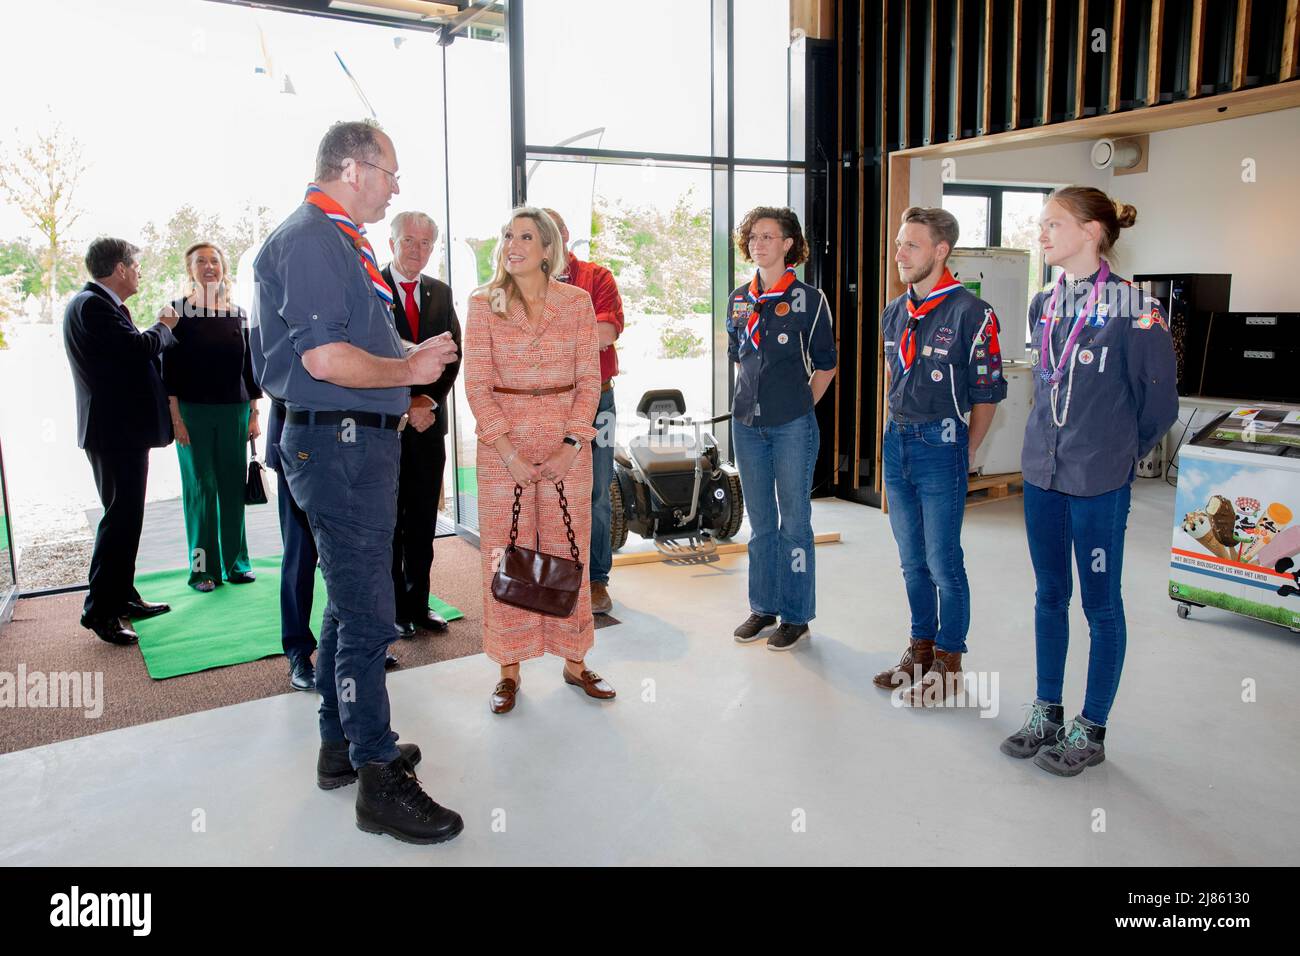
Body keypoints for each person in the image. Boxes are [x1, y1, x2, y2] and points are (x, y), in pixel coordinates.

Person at [251, 119, 463, 843]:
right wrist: (407, 372)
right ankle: (377, 774)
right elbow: (323, 361)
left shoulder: (338, 240)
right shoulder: (313, 238)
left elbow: (356, 346)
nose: (396, 186)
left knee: (347, 606)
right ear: (352, 167)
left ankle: (339, 748)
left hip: (352, 446)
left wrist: (409, 352)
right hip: (336, 449)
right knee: (369, 617)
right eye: (390, 172)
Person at [1000, 186, 1178, 776]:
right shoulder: (1043, 303)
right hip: (1044, 473)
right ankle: (1047, 709)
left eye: (1053, 224)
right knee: (1049, 594)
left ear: (1092, 231)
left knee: (1101, 605)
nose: (1042, 234)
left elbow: (1159, 405)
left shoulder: (1138, 308)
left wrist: (1116, 453)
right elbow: (1050, 383)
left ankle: (1092, 726)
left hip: (1099, 480)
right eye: (1041, 224)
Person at [463, 206, 611, 715]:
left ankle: (574, 661)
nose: (513, 244)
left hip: (565, 449)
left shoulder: (577, 302)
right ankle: (508, 669)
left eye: (526, 236)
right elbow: (477, 384)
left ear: (548, 248)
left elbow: (589, 380)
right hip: (502, 451)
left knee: (568, 551)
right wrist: (506, 451)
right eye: (508, 235)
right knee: (509, 556)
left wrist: (572, 445)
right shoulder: (485, 302)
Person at [873, 206, 1007, 705]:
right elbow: (894, 377)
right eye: (899, 243)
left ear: (940, 250)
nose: (900, 252)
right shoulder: (895, 311)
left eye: (911, 244)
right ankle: (921, 648)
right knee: (911, 562)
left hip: (942, 444)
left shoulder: (973, 313)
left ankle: (950, 661)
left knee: (943, 561)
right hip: (897, 442)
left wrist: (965, 450)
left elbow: (988, 395)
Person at [726, 206, 836, 652]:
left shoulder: (810, 299)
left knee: (794, 523)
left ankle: (795, 615)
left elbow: (826, 365)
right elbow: (739, 355)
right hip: (747, 425)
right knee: (761, 522)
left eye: (768, 236)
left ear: (789, 243)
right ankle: (763, 607)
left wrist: (797, 408)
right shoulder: (739, 297)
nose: (758, 243)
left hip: (792, 426)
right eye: (753, 236)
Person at [64, 237, 178, 645]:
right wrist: (164, 326)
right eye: (135, 265)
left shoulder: (95, 305)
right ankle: (100, 610)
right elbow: (137, 349)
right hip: (114, 432)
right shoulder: (93, 305)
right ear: (120, 268)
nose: (140, 272)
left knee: (127, 518)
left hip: (117, 431)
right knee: (119, 520)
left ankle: (123, 595)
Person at [162, 242, 261, 593]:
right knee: (201, 490)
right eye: (200, 261)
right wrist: (176, 419)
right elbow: (167, 372)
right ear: (189, 269)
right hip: (192, 413)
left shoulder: (239, 313)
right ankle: (202, 570)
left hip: (234, 411)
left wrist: (253, 414)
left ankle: (237, 563)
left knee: (232, 489)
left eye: (214, 260)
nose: (208, 266)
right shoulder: (175, 312)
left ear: (223, 267)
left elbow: (249, 369)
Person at [380, 211, 462, 638]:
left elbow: (454, 355)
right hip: (385, 429)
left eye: (425, 243)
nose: (416, 250)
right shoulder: (369, 286)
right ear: (391, 242)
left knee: (423, 524)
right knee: (389, 523)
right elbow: (367, 355)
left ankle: (418, 604)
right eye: (408, 241)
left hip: (429, 425)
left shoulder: (441, 293)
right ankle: (392, 610)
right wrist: (405, 402)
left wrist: (426, 401)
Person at [541, 208, 624, 616]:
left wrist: (546, 339)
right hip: (543, 404)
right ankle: (552, 577)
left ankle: (596, 580)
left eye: (552, 233)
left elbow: (605, 334)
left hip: (597, 403)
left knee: (596, 493)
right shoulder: (526, 282)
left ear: (565, 235)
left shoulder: (597, 277)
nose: (547, 241)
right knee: (546, 489)